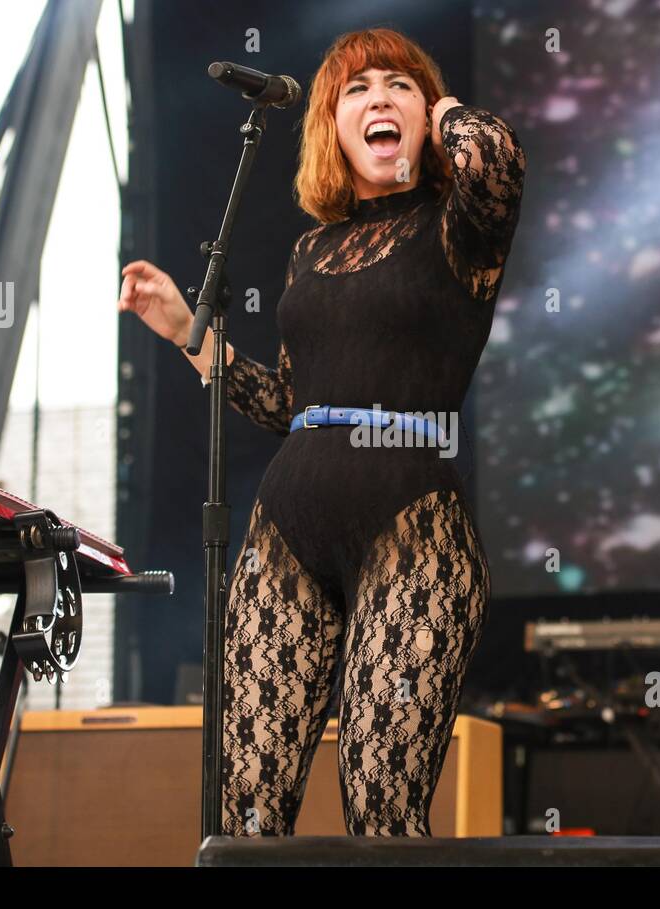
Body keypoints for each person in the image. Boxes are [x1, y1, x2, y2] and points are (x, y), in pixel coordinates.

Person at [118, 26, 525, 836]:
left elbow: (493, 162)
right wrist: (185, 334)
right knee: (246, 814)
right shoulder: (312, 251)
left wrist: (438, 103)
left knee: (380, 811)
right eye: (357, 89)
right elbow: (287, 406)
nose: (379, 97)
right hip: (286, 531)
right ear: (330, 127)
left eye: (398, 86)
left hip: (414, 533)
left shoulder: (459, 226)